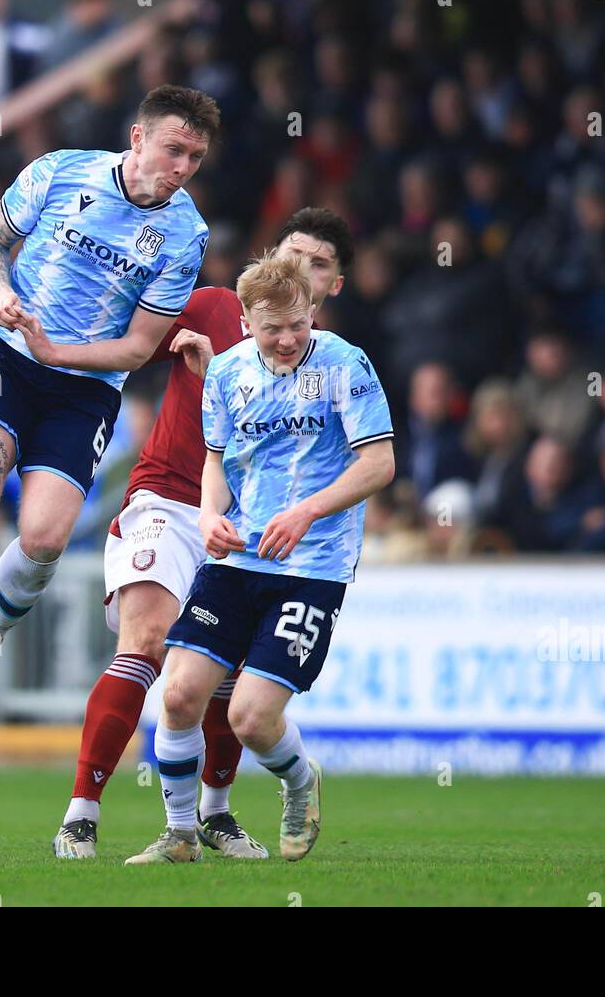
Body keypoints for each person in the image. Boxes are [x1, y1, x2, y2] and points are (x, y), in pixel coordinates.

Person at [0, 84, 220, 745]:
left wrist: (63, 351)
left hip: (83, 385)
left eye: (195, 156)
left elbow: (142, 347)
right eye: (175, 149)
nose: (182, 166)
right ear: (138, 138)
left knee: (44, 539)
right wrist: (1, 295)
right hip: (8, 353)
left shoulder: (184, 234)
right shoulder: (60, 171)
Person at [50, 207, 352, 861]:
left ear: (335, 285)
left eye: (318, 263)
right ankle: (81, 812)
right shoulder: (211, 305)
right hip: (167, 496)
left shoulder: (331, 366)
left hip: (242, 523)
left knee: (222, 682)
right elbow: (127, 344)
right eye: (293, 253)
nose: (301, 268)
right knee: (150, 641)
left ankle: (209, 816)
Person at [125, 252, 394, 864]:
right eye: (272, 328)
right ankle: (179, 836)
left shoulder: (344, 365)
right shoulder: (225, 374)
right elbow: (217, 461)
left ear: (312, 311)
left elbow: (379, 463)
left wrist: (306, 512)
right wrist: (211, 514)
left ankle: (301, 784)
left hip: (312, 564)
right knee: (179, 695)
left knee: (249, 719)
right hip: (239, 558)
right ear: (245, 321)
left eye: (298, 324)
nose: (287, 339)